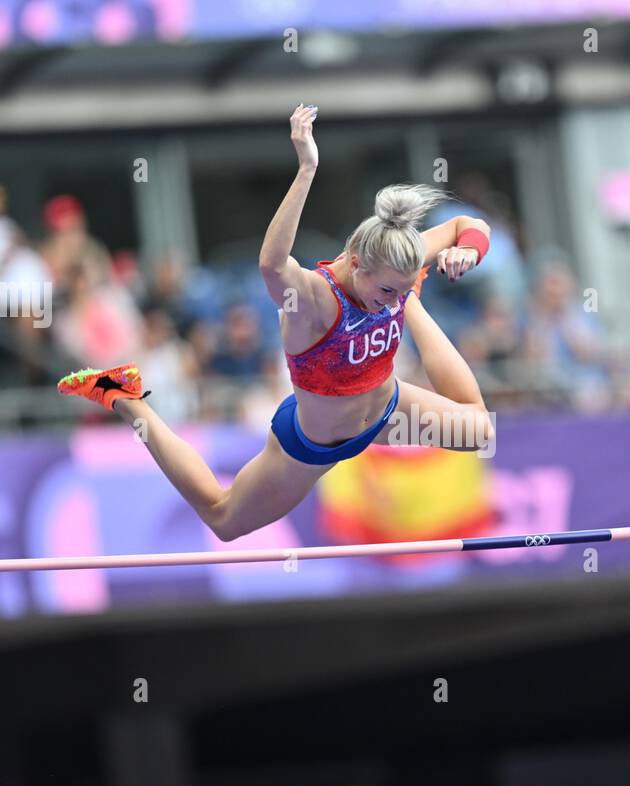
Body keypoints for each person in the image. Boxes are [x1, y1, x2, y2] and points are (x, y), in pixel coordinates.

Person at [58, 105, 494, 542]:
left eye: (402, 289)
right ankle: (125, 397)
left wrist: (468, 252)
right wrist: (306, 168)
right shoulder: (313, 299)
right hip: (313, 445)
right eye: (387, 293)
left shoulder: (396, 258)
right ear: (357, 264)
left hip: (386, 412)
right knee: (223, 519)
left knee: (480, 431)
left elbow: (466, 224)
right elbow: (271, 263)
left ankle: (416, 303)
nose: (389, 303)